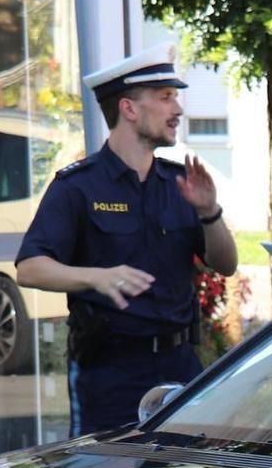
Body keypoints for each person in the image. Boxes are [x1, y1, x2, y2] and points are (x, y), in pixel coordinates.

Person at [16, 43, 238, 435]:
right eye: (166, 97)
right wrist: (94, 277)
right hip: (109, 372)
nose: (178, 110)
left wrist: (209, 212)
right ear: (129, 108)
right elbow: (30, 268)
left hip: (180, 366)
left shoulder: (178, 183)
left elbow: (227, 264)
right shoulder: (78, 186)